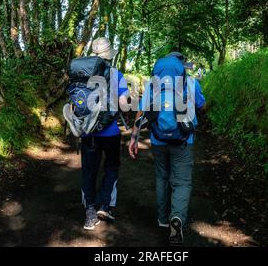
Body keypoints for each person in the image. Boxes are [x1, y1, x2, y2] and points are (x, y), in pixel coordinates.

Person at [128, 52, 206, 246]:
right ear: (180, 68)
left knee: (162, 177)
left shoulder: (152, 85)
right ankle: (177, 219)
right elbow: (201, 105)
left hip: (158, 140)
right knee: (182, 182)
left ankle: (163, 219)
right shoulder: (191, 83)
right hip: (183, 141)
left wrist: (133, 138)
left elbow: (142, 111)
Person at [79, 37, 128, 230]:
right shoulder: (116, 74)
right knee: (112, 167)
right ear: (109, 55)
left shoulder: (82, 73)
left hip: (88, 132)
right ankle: (105, 206)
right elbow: (124, 106)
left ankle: (90, 214)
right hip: (110, 132)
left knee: (89, 171)